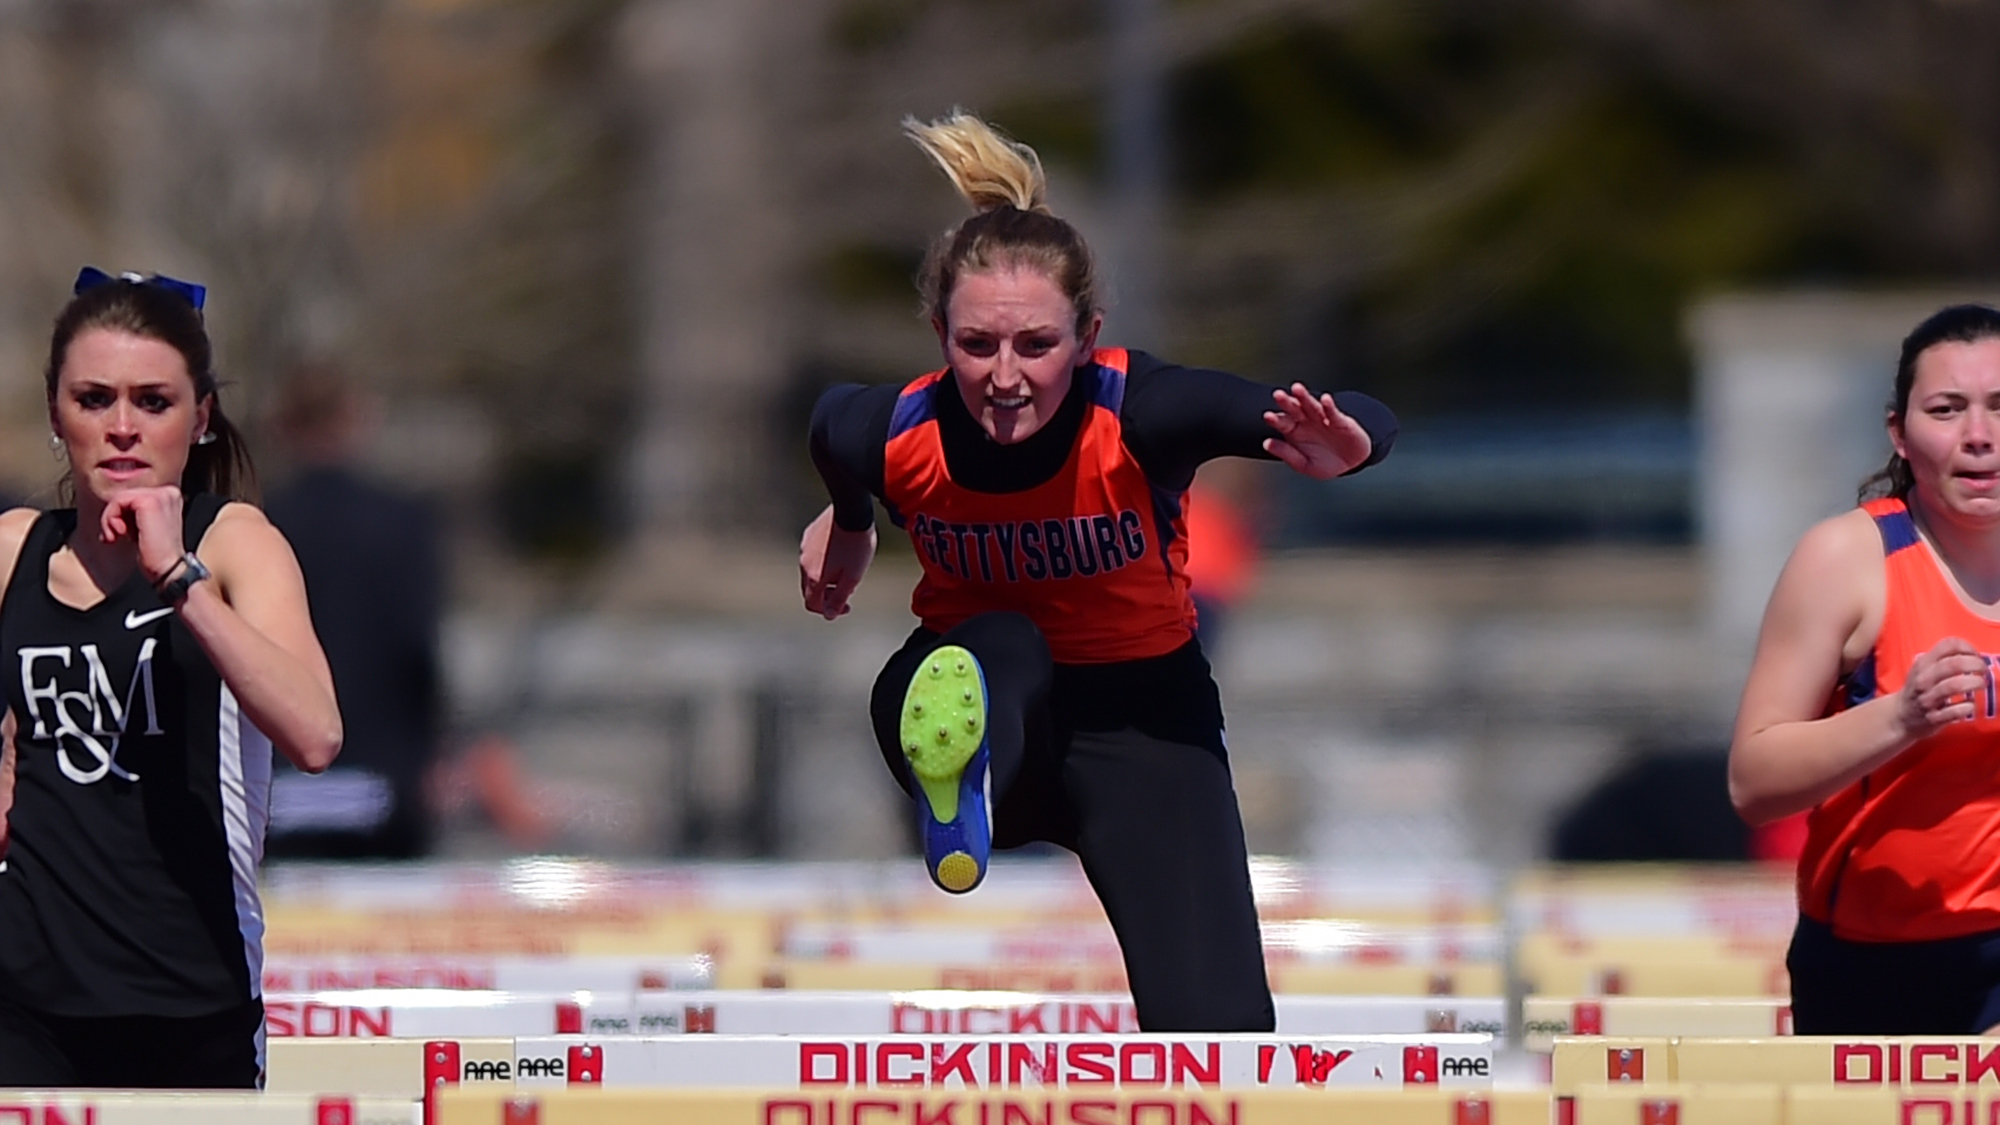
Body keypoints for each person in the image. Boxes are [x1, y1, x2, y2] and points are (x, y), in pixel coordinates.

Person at [799, 112, 1396, 1031]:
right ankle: (964, 782)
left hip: (1143, 729)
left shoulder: (1140, 410)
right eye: (976, 346)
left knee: (1220, 1032)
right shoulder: (891, 431)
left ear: (1088, 335)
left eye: (1036, 345)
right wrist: (846, 520)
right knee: (1002, 637)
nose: (1005, 376)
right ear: (937, 333)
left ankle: (983, 786)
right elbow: (830, 429)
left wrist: (1350, 443)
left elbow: (1306, 412)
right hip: (974, 698)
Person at [0, 268, 340, 1086]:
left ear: (200, 416)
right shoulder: (14, 547)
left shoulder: (234, 544)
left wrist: (178, 583)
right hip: (24, 999)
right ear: (56, 411)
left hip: (191, 997)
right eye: (94, 400)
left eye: (152, 401)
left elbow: (316, 732)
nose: (122, 427)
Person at [1729, 303, 2000, 1034]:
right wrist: (1900, 715)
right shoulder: (1847, 560)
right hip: (1880, 963)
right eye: (1947, 409)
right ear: (1900, 435)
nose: (1980, 436)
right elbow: (1753, 782)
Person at [263, 367, 443, 860]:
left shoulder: (258, 526)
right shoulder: (401, 523)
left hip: (279, 781)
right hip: (383, 778)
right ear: (355, 421)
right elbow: (417, 649)